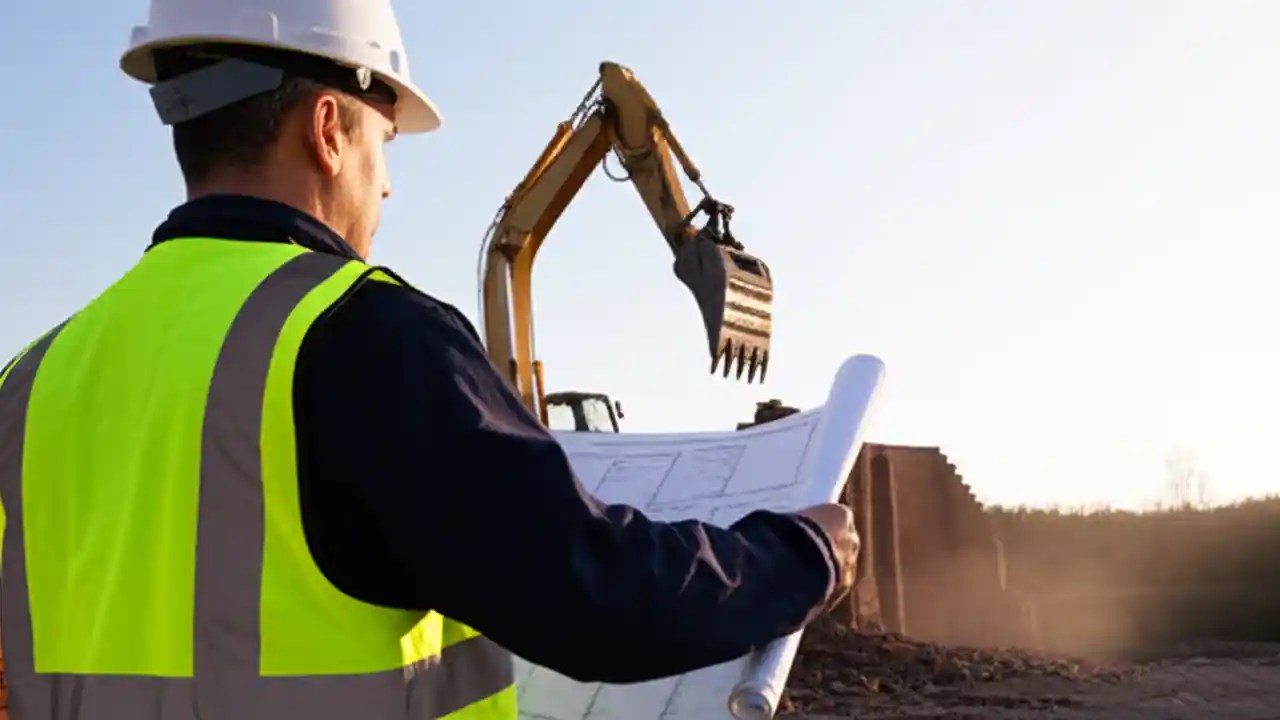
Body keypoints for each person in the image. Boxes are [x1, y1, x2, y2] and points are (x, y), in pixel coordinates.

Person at [0, 1, 860, 718]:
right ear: (329, 130)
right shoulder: (358, 336)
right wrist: (799, 556)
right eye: (387, 143)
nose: (386, 187)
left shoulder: (32, 382)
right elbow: (597, 595)